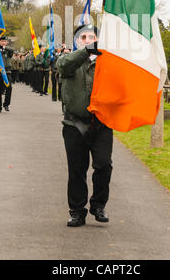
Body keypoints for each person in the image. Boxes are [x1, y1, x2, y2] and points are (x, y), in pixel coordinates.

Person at [57, 23, 113, 227]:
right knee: (77, 169)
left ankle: (98, 205)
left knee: (104, 164)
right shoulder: (68, 60)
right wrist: (85, 52)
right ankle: (77, 211)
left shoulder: (107, 62)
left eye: (92, 37)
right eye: (83, 38)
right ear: (76, 42)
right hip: (74, 124)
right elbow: (63, 66)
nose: (88, 40)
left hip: (102, 123)